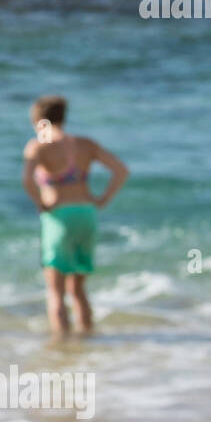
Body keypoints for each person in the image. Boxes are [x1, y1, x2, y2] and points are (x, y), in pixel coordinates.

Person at [21, 95, 128, 340]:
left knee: (56, 292)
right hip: (87, 214)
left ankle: (62, 348)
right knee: (78, 289)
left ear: (40, 122)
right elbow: (121, 171)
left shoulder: (39, 146)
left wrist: (40, 203)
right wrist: (102, 200)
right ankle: (87, 342)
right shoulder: (85, 144)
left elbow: (27, 179)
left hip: (59, 217)